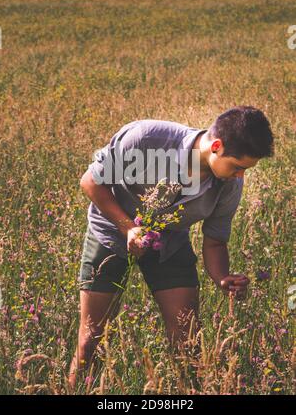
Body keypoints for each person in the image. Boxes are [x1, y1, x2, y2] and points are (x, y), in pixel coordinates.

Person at [68, 106, 274, 390]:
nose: (240, 176)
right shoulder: (146, 139)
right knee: (90, 339)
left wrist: (222, 278)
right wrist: (128, 228)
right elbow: (91, 182)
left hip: (170, 241)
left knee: (188, 339)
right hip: (110, 234)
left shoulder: (228, 184)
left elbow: (215, 241)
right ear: (216, 146)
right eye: (238, 167)